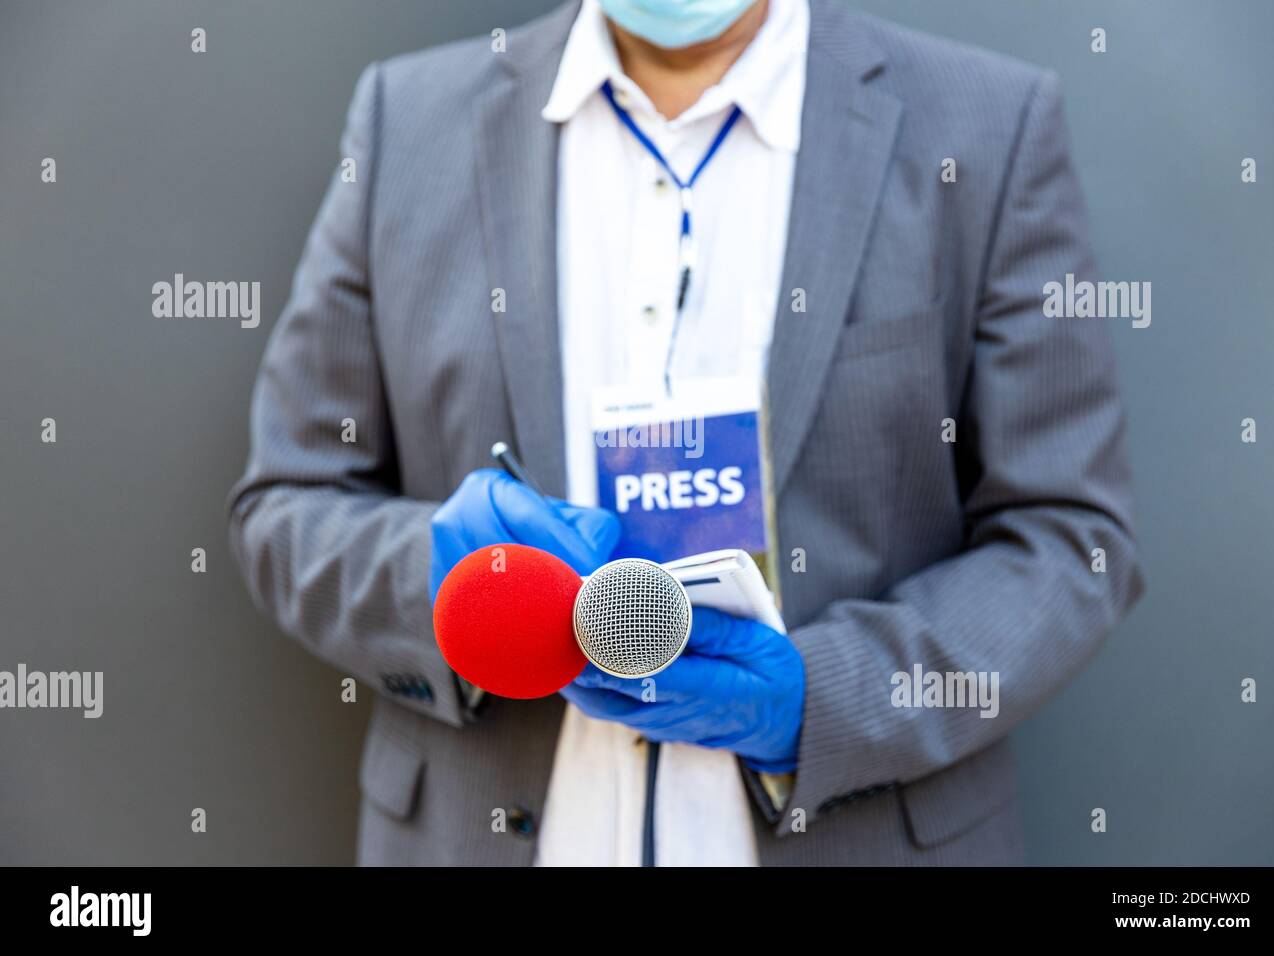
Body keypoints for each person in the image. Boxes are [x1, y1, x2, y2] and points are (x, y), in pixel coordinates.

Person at [228, 0, 1143, 866]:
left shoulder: (986, 127)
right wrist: (448, 580)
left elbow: (1070, 541)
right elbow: (288, 503)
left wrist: (822, 702)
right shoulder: (408, 120)